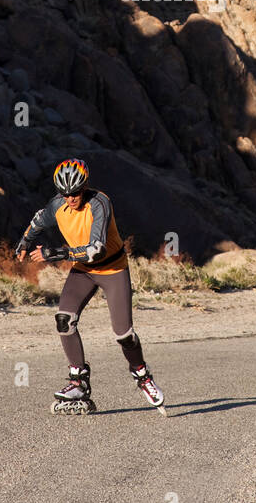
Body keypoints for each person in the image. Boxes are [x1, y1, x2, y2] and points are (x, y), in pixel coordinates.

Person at [15, 158, 164, 410]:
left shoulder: (100, 203)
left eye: (75, 193)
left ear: (84, 187)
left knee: (123, 334)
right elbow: (39, 219)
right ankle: (78, 382)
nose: (70, 198)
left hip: (112, 269)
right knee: (64, 320)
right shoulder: (58, 205)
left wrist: (55, 254)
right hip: (83, 271)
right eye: (65, 194)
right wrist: (24, 241)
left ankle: (142, 375)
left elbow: (96, 249)